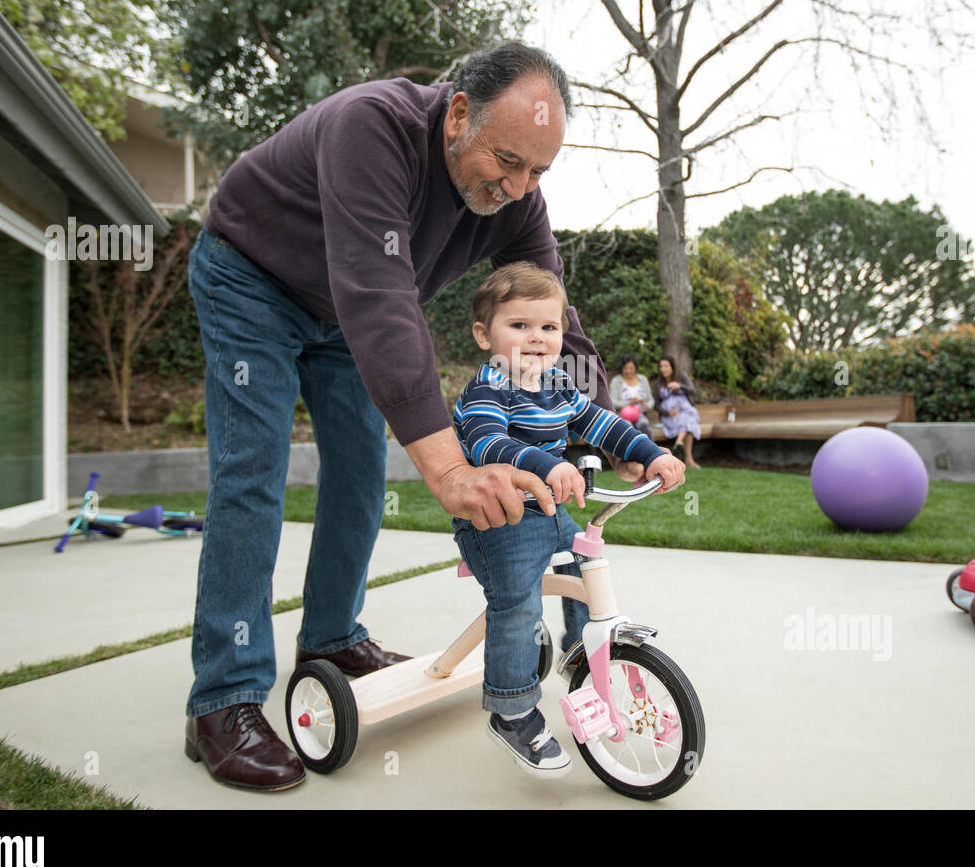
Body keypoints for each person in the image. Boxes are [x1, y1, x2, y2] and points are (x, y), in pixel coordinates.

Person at [182, 43, 656, 792]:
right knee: (254, 472)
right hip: (252, 276)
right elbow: (379, 294)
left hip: (339, 313)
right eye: (507, 161)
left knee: (362, 475)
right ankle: (223, 699)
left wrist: (607, 423)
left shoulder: (516, 198)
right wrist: (447, 466)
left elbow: (556, 316)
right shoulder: (370, 127)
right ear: (458, 114)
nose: (519, 186)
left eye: (539, 172)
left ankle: (332, 642)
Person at [451, 263, 684, 775]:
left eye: (549, 328)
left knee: (583, 566)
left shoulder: (557, 383)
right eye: (520, 326)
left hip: (552, 513)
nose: (537, 338)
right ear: (483, 334)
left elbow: (599, 421)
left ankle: (583, 653)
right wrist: (547, 464)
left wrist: (651, 452)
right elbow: (489, 442)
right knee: (516, 604)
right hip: (499, 523)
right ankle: (511, 710)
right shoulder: (489, 389)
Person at [653, 356, 702, 469]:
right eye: (661, 366)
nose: (663, 369)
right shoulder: (657, 384)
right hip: (670, 416)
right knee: (689, 424)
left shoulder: (681, 377)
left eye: (666, 366)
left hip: (685, 410)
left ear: (672, 367)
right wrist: (667, 413)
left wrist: (680, 386)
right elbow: (656, 405)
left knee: (687, 419)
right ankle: (688, 458)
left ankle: (679, 443)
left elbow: (693, 391)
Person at [609, 355, 654, 438]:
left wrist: (646, 405)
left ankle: (650, 449)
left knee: (644, 425)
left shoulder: (643, 379)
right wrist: (630, 403)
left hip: (640, 413)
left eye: (631, 368)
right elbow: (612, 402)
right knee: (627, 427)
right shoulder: (616, 381)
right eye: (625, 368)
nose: (628, 371)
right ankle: (630, 450)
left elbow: (651, 400)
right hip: (622, 414)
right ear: (621, 369)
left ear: (635, 368)